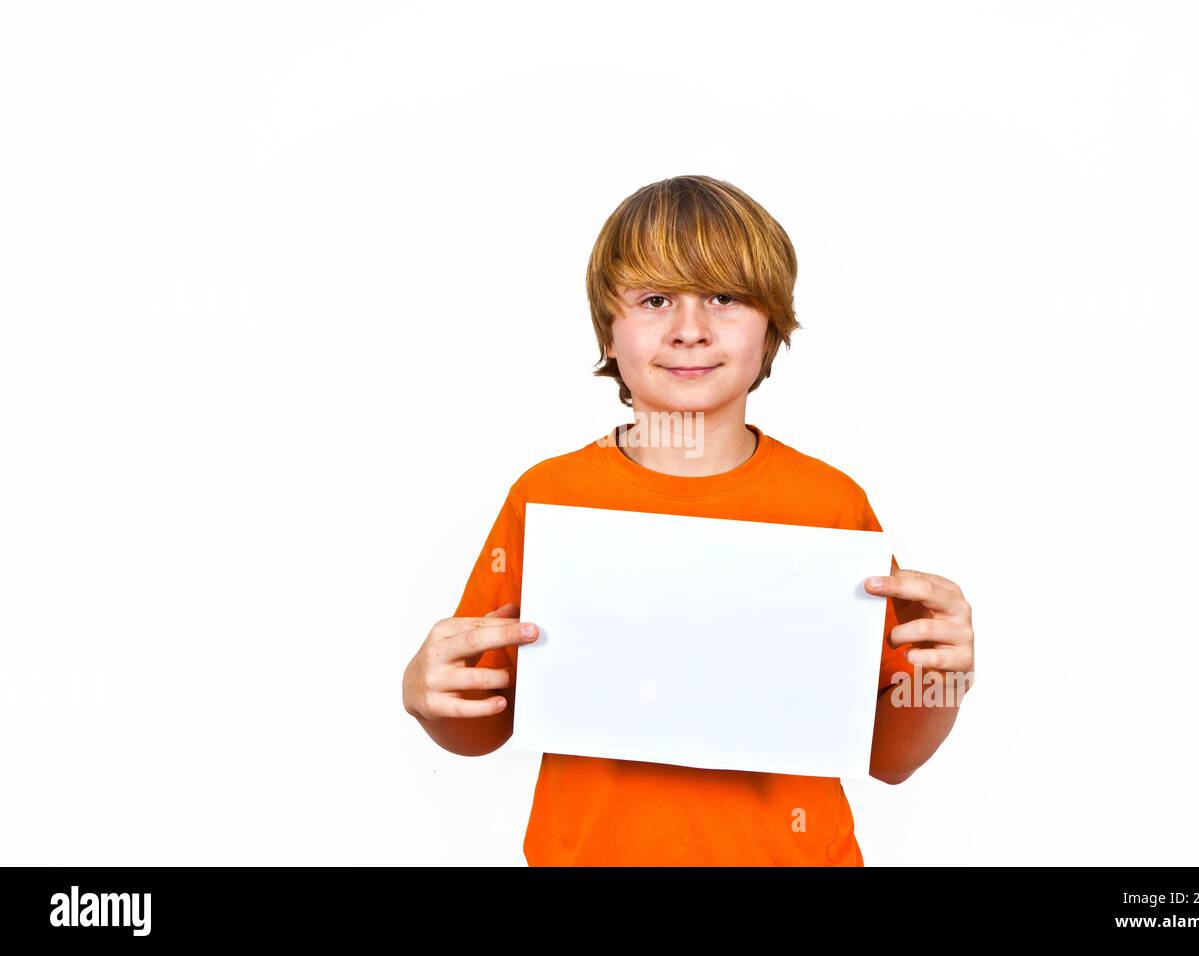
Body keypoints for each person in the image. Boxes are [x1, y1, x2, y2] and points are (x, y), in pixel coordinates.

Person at [401, 174, 976, 865]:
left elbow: (887, 758)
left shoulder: (829, 505)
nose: (690, 330)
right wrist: (424, 693)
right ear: (608, 335)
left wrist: (936, 678)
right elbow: (480, 725)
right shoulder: (550, 497)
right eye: (654, 300)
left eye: (724, 298)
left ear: (771, 331)